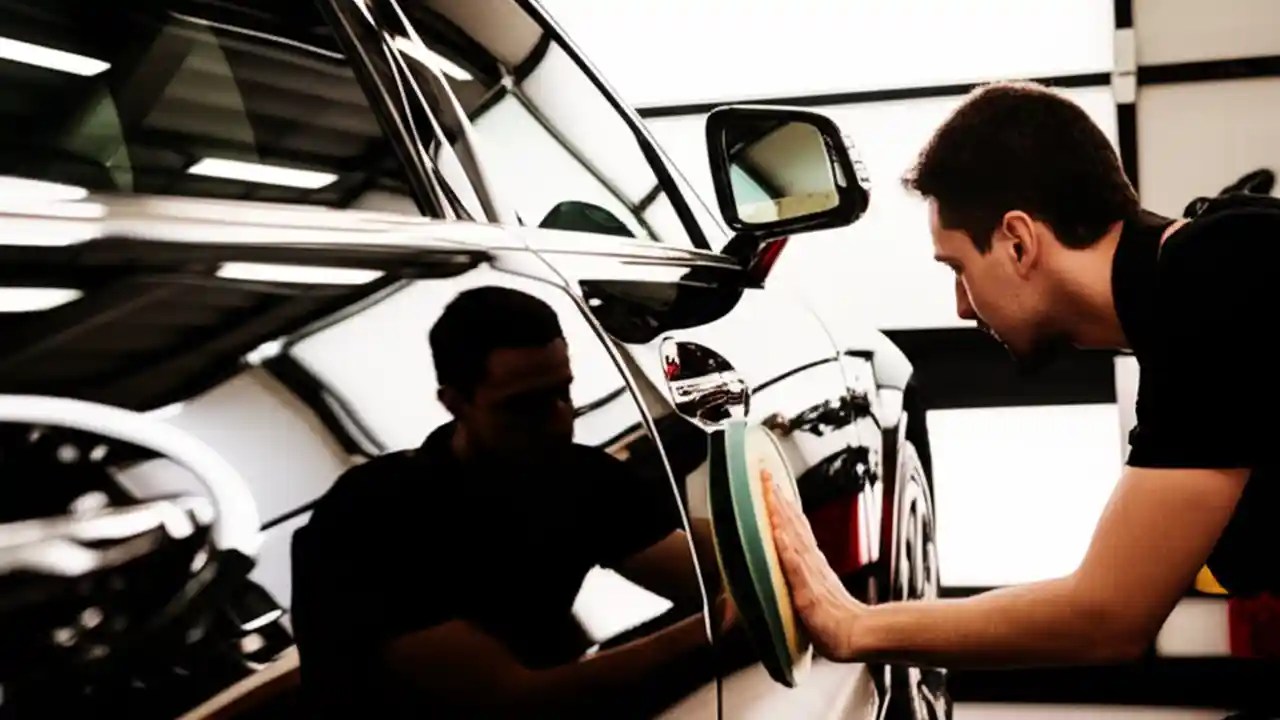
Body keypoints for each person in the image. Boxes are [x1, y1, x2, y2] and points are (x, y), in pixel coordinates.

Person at [765, 80, 1280, 685]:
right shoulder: (1204, 279)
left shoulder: (1213, 282)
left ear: (1017, 241)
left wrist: (855, 626)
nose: (961, 305)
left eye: (959, 267)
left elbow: (1109, 615)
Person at [291, 285, 734, 719]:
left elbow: (708, 569)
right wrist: (716, 627)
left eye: (564, 393)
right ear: (455, 403)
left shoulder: (576, 475)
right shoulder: (370, 519)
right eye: (525, 406)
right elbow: (508, 699)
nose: (560, 421)